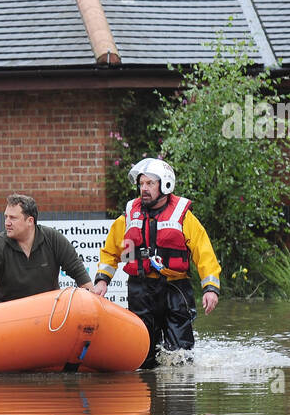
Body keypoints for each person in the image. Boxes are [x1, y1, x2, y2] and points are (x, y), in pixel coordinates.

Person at [92, 157, 221, 367]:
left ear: (165, 184)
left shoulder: (184, 217)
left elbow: (204, 253)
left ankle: (179, 395)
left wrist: (210, 288)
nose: (144, 188)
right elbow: (110, 252)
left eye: (150, 183)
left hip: (175, 290)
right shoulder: (129, 216)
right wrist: (102, 281)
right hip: (141, 291)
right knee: (143, 355)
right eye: (141, 184)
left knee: (180, 357)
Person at [0, 194, 92, 307]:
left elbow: (78, 270)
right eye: (6, 217)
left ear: (30, 221)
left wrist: (92, 301)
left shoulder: (53, 239)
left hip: (48, 312)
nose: (7, 222)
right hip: (6, 314)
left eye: (13, 218)